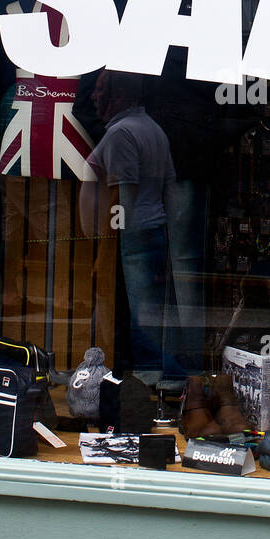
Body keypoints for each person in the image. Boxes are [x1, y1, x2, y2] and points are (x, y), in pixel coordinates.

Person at [79, 70, 184, 385]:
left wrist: (105, 249)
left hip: (133, 234)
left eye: (100, 90)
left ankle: (161, 377)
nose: (93, 97)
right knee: (146, 313)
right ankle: (161, 374)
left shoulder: (122, 133)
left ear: (120, 95)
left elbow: (121, 196)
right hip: (153, 229)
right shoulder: (152, 129)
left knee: (138, 317)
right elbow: (170, 188)